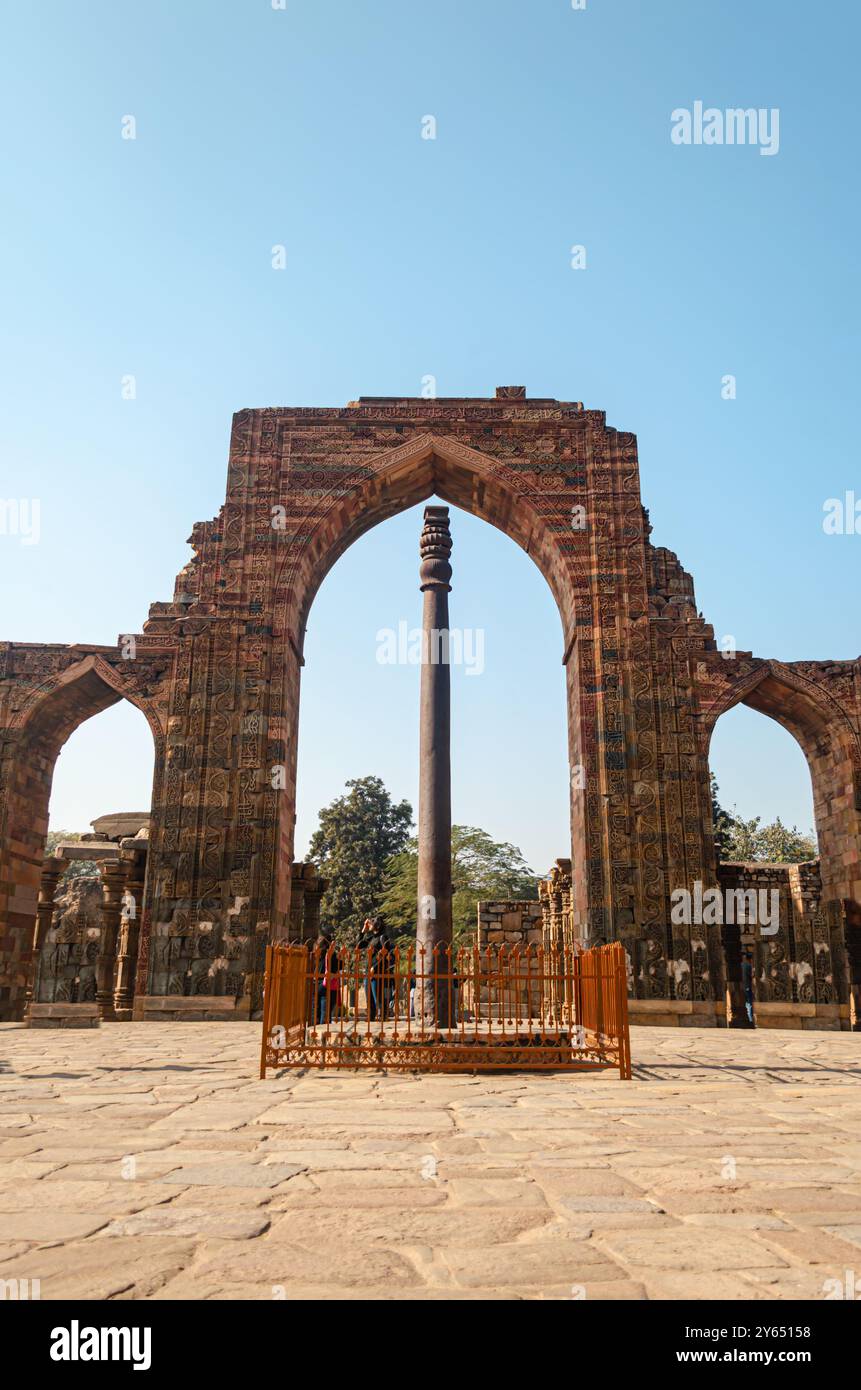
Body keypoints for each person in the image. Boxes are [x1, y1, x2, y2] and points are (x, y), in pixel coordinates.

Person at [314, 932, 341, 1026]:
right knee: (326, 1013)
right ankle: (324, 1034)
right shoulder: (330, 954)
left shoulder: (318, 953)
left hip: (318, 983)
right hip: (327, 985)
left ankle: (316, 1032)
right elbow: (337, 967)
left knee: (318, 1011)